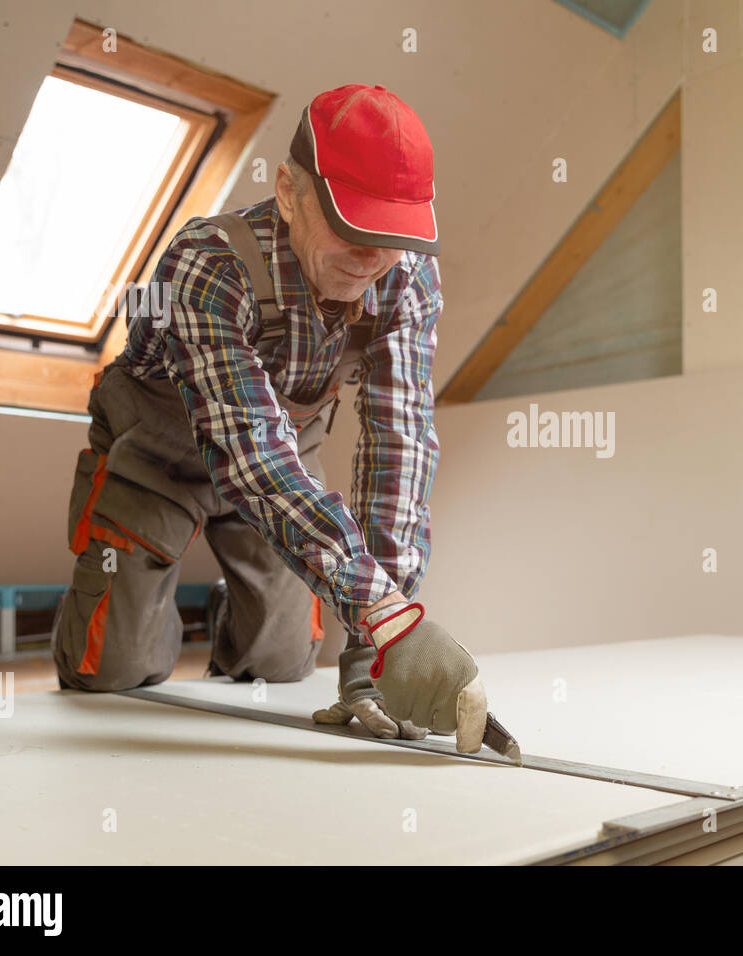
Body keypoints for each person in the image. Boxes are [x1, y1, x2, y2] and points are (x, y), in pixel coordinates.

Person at [51, 83, 488, 753]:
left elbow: (398, 444)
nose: (371, 258)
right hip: (159, 455)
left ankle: (237, 608)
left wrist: (377, 648)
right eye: (352, 228)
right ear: (289, 191)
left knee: (280, 665)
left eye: (392, 237)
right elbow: (250, 454)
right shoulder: (206, 263)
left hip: (284, 460)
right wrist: (382, 611)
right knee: (114, 673)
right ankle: (149, 604)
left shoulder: (406, 278)